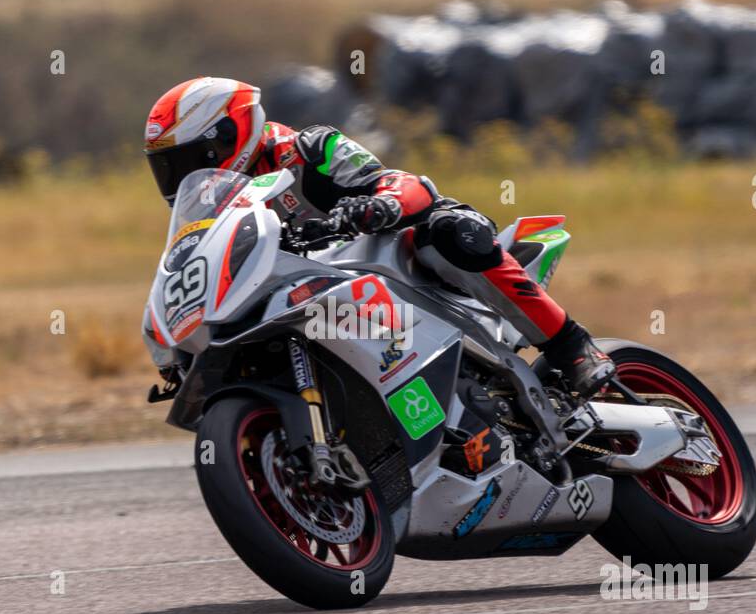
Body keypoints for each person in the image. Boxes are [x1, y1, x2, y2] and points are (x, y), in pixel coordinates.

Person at [143, 76, 614, 395]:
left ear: (231, 133)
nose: (182, 174)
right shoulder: (213, 208)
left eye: (191, 157)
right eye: (170, 167)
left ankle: (571, 345)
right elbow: (195, 265)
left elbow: (405, 184)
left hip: (384, 259)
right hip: (310, 301)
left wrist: (377, 204)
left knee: (451, 232)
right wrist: (178, 348)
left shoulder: (309, 148)